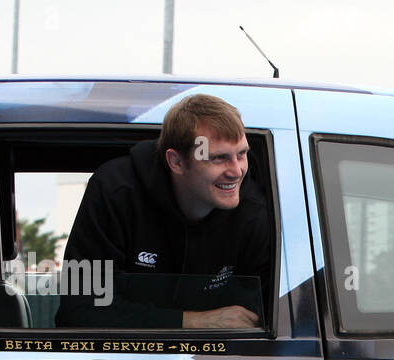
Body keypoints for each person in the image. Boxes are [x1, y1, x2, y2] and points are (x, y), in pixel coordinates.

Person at [56, 93, 273, 329]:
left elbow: (267, 322)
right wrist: (191, 321)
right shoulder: (116, 192)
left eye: (241, 154)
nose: (237, 171)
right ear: (176, 162)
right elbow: (78, 311)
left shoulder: (255, 211)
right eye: (219, 158)